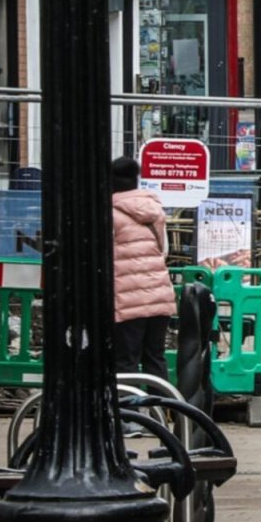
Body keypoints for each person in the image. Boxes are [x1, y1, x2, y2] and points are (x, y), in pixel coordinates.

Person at [109, 157, 176, 387]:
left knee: (126, 362)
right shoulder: (154, 209)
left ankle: (131, 419)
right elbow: (164, 250)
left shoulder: (109, 213)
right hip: (159, 295)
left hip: (127, 299)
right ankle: (163, 411)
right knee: (155, 357)